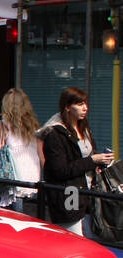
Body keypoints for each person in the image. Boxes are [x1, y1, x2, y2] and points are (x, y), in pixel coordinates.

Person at [42, 86, 113, 235]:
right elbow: (60, 170)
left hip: (87, 191)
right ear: (67, 107)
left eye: (86, 103)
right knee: (72, 235)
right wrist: (92, 160)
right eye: (80, 104)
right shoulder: (55, 133)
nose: (85, 108)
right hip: (70, 191)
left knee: (89, 235)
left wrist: (100, 162)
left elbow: (86, 158)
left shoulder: (84, 129)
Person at [0, 87, 41, 213]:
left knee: (13, 215)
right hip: (32, 177)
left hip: (12, 178)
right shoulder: (33, 126)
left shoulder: (3, 125)